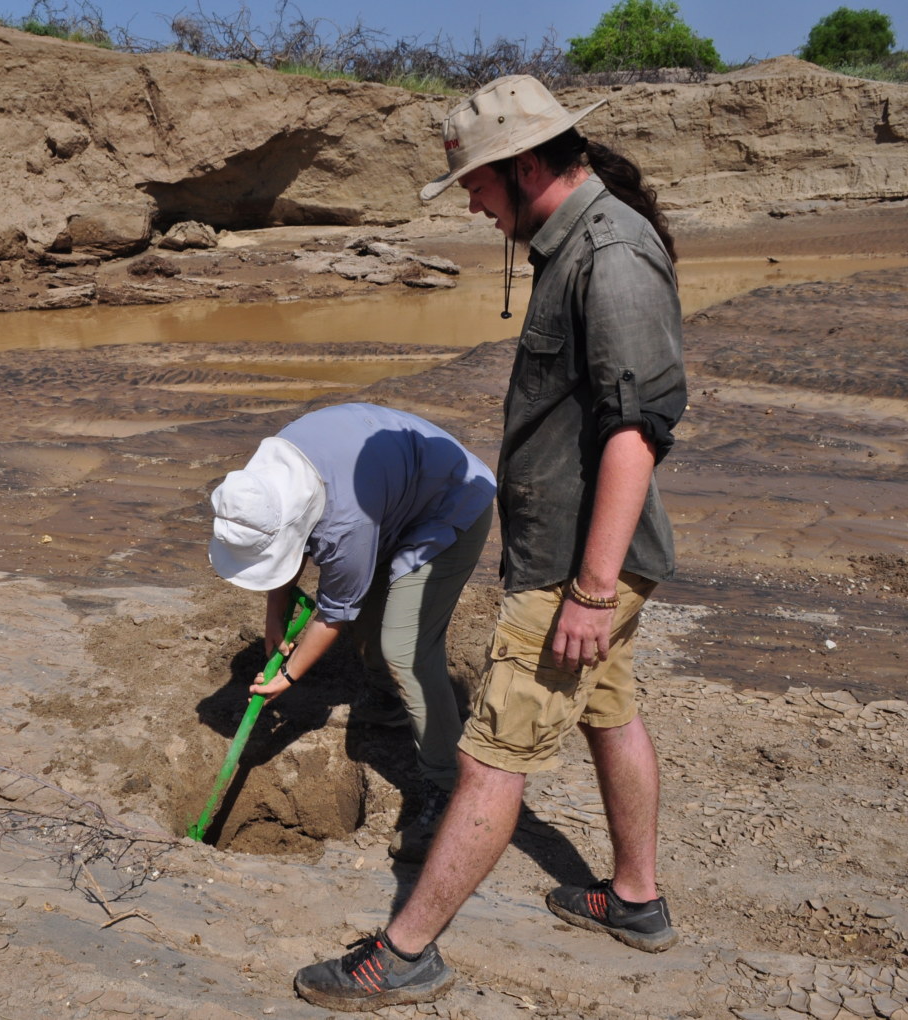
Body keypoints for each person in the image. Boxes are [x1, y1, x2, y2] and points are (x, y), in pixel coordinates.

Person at [292, 75, 689, 1011]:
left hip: (576, 567)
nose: (470, 201)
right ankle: (636, 900)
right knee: (608, 712)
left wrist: (591, 591)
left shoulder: (613, 253)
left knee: (491, 755)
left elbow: (636, 431)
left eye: (474, 182)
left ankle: (406, 953)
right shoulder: (570, 244)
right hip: (584, 553)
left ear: (521, 166)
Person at [208, 402, 495, 860]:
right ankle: (389, 701)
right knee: (373, 618)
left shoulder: (345, 523)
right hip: (392, 492)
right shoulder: (263, 479)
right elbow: (288, 542)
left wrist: (289, 675)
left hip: (450, 499)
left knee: (405, 647)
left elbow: (336, 610)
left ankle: (448, 788)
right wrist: (274, 615)